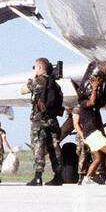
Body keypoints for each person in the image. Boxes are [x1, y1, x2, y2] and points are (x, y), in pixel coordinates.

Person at [24, 58, 63, 186]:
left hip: (39, 120)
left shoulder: (36, 81)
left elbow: (22, 89)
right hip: (53, 120)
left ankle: (38, 177)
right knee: (55, 147)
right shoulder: (56, 86)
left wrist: (32, 77)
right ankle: (58, 176)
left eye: (35, 67)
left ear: (40, 68)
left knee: (38, 147)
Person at [75, 70, 106, 184]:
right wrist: (95, 88)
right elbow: (91, 102)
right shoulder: (83, 102)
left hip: (91, 133)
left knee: (98, 158)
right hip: (91, 132)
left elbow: (97, 109)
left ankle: (87, 179)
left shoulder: (95, 107)